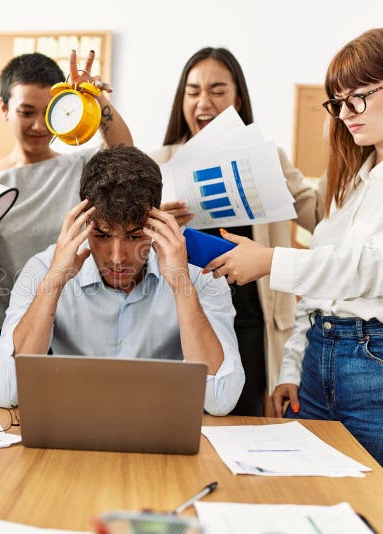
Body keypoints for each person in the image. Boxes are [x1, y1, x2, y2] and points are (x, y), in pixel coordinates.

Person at [205, 28, 383, 518]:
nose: (346, 113)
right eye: (338, 102)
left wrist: (268, 263)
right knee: (314, 517)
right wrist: (293, 367)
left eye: (360, 99)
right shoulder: (350, 179)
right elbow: (322, 290)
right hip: (322, 366)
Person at [0, 146, 243, 415]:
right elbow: (5, 391)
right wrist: (54, 282)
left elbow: (220, 400)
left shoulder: (199, 275)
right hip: (73, 430)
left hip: (162, 434)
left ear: (159, 222)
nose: (118, 257)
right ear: (83, 224)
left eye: (133, 236)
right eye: (103, 235)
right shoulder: (43, 269)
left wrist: (181, 286)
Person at [151, 47, 324, 417]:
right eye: (193, 91)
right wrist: (155, 221)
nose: (204, 103)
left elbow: (320, 216)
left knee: (247, 429)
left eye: (217, 91)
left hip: (253, 325)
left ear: (238, 100)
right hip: (185, 319)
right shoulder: (160, 163)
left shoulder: (268, 158)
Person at [0, 51, 132, 367]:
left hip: (80, 336)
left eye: (48, 112)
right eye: (26, 112)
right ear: (4, 109)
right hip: (11, 336)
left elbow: (125, 156)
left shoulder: (79, 168)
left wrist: (97, 98)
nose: (37, 125)